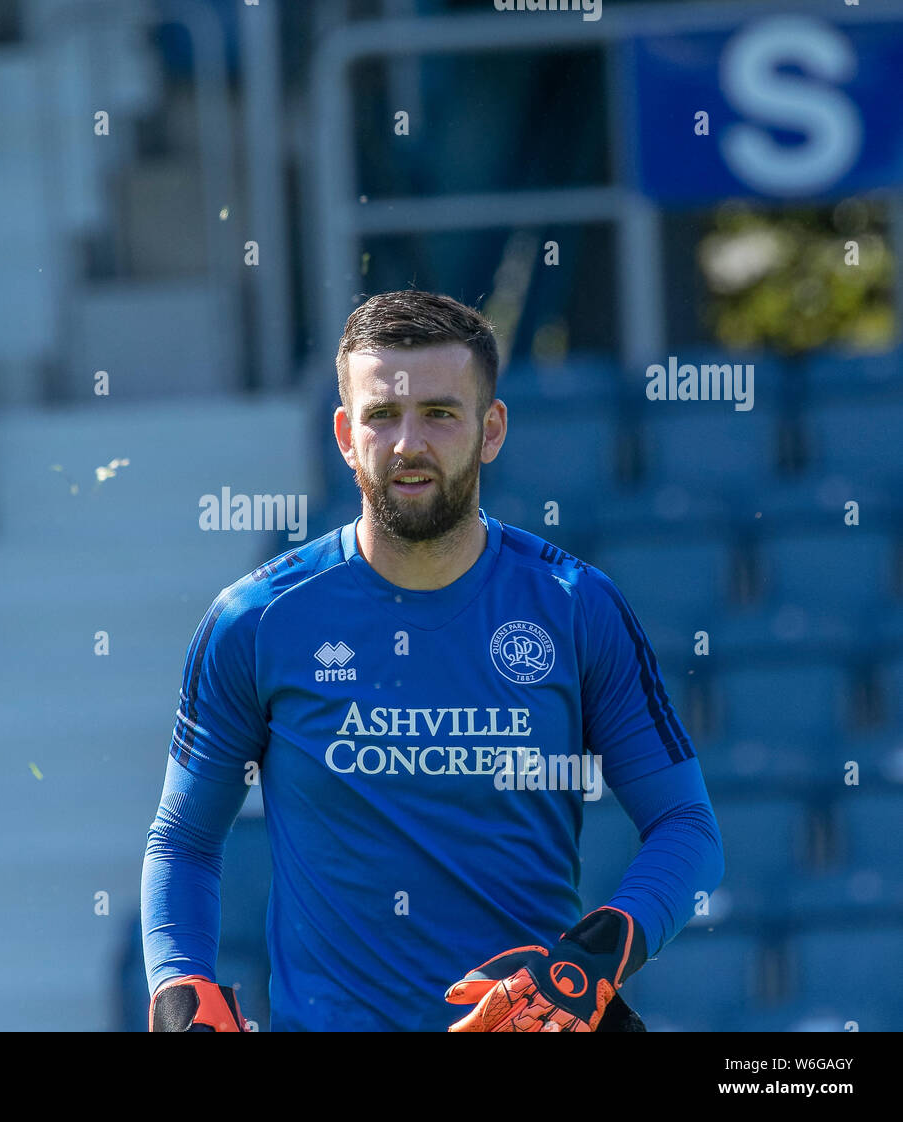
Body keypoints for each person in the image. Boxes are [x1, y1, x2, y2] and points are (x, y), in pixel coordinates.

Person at [140, 289, 725, 1032]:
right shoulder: (254, 621)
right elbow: (184, 842)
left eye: (441, 414)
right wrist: (181, 993)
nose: (409, 443)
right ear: (346, 435)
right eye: (384, 416)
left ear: (491, 429)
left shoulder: (577, 605)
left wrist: (594, 959)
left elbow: (687, 826)